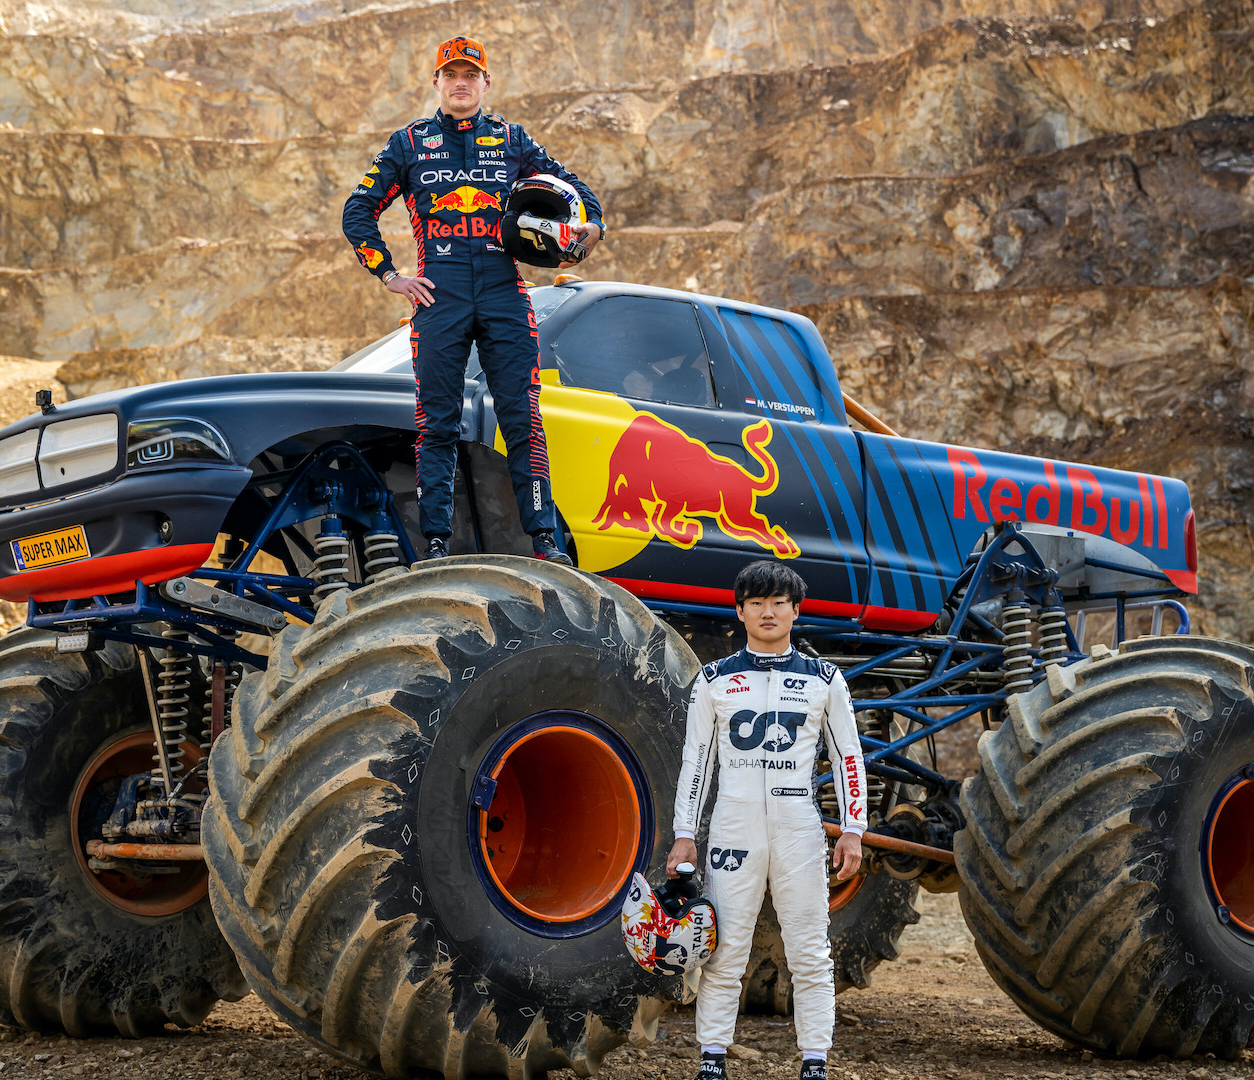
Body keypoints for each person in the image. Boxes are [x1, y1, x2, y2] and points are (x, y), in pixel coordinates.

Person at [341, 35, 604, 564]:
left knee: (522, 418)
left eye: (470, 75)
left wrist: (590, 229)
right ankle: (435, 542)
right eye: (451, 75)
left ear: (486, 83)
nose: (461, 83)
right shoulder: (409, 143)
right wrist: (390, 275)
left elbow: (579, 194)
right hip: (440, 293)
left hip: (505, 290)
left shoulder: (512, 138)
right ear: (436, 82)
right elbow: (358, 210)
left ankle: (544, 542)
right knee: (436, 421)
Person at [667, 561, 867, 1080]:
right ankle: (713, 1059)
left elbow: (848, 756)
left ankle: (815, 1063)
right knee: (725, 947)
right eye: (756, 603)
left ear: (796, 611)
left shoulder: (825, 679)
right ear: (740, 611)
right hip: (733, 826)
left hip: (799, 824)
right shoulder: (714, 679)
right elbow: (696, 761)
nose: (768, 611)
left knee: (809, 949)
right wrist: (684, 834)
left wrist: (853, 829)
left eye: (779, 602)